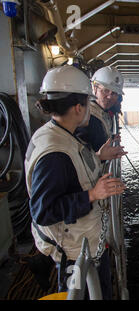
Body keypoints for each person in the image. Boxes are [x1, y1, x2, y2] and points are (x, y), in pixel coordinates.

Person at [25, 65, 127, 299]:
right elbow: (43, 211)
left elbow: (75, 169)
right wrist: (92, 195)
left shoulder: (59, 134)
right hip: (74, 251)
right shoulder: (55, 154)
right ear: (79, 107)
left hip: (83, 240)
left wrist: (100, 156)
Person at [75, 66, 124, 152]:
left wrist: (111, 138)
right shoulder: (85, 117)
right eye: (106, 91)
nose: (110, 97)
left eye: (114, 93)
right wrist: (99, 158)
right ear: (94, 88)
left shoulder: (102, 113)